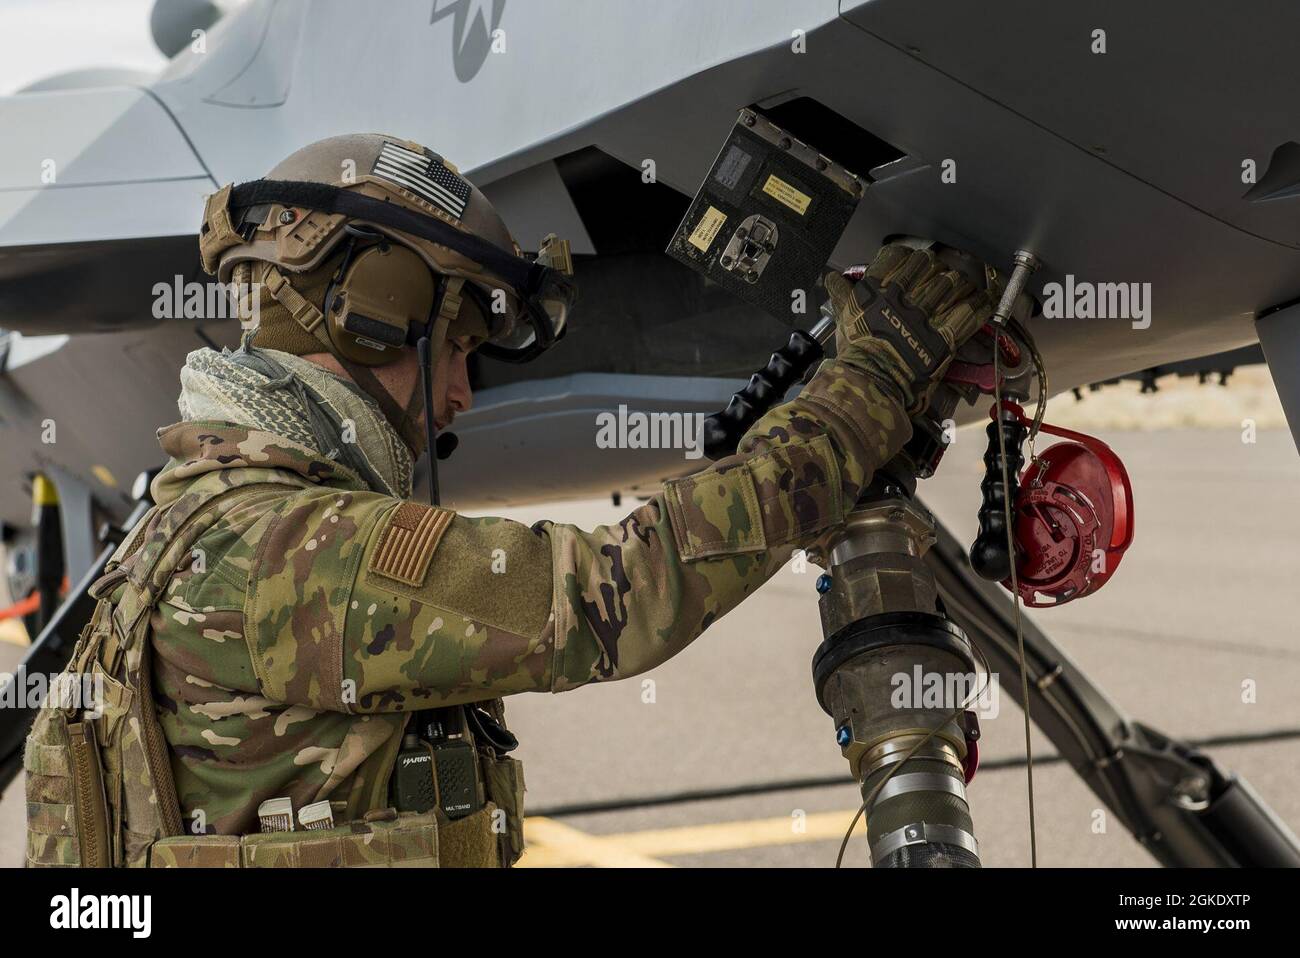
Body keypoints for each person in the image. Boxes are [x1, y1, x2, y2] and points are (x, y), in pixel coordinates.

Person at [23, 134, 995, 868]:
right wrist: (865, 386)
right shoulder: (275, 549)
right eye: (455, 347)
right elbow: (609, 596)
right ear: (378, 305)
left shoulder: (190, 526)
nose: (455, 397)